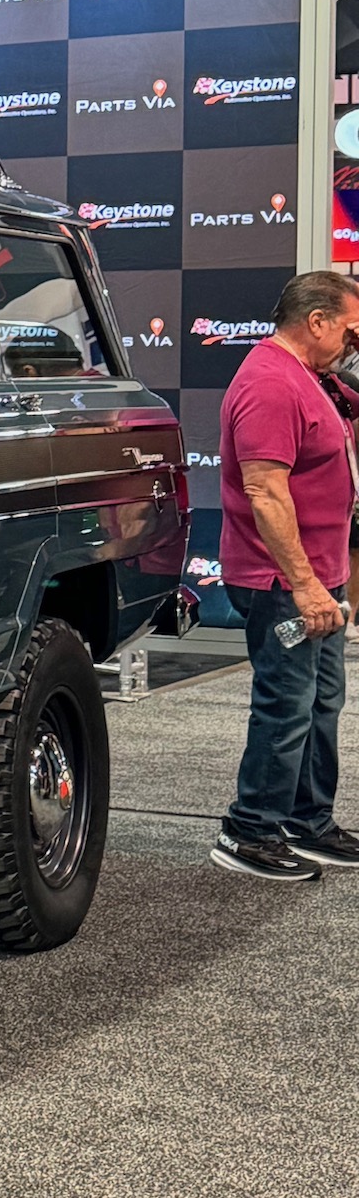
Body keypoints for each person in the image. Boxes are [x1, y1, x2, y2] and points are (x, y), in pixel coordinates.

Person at [210, 271, 359, 880]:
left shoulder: (316, 380)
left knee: (322, 702)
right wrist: (303, 584)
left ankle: (307, 821)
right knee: (287, 707)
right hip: (282, 582)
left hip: (320, 575)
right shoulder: (272, 384)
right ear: (316, 321)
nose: (353, 340)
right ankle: (249, 833)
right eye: (349, 328)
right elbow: (264, 491)